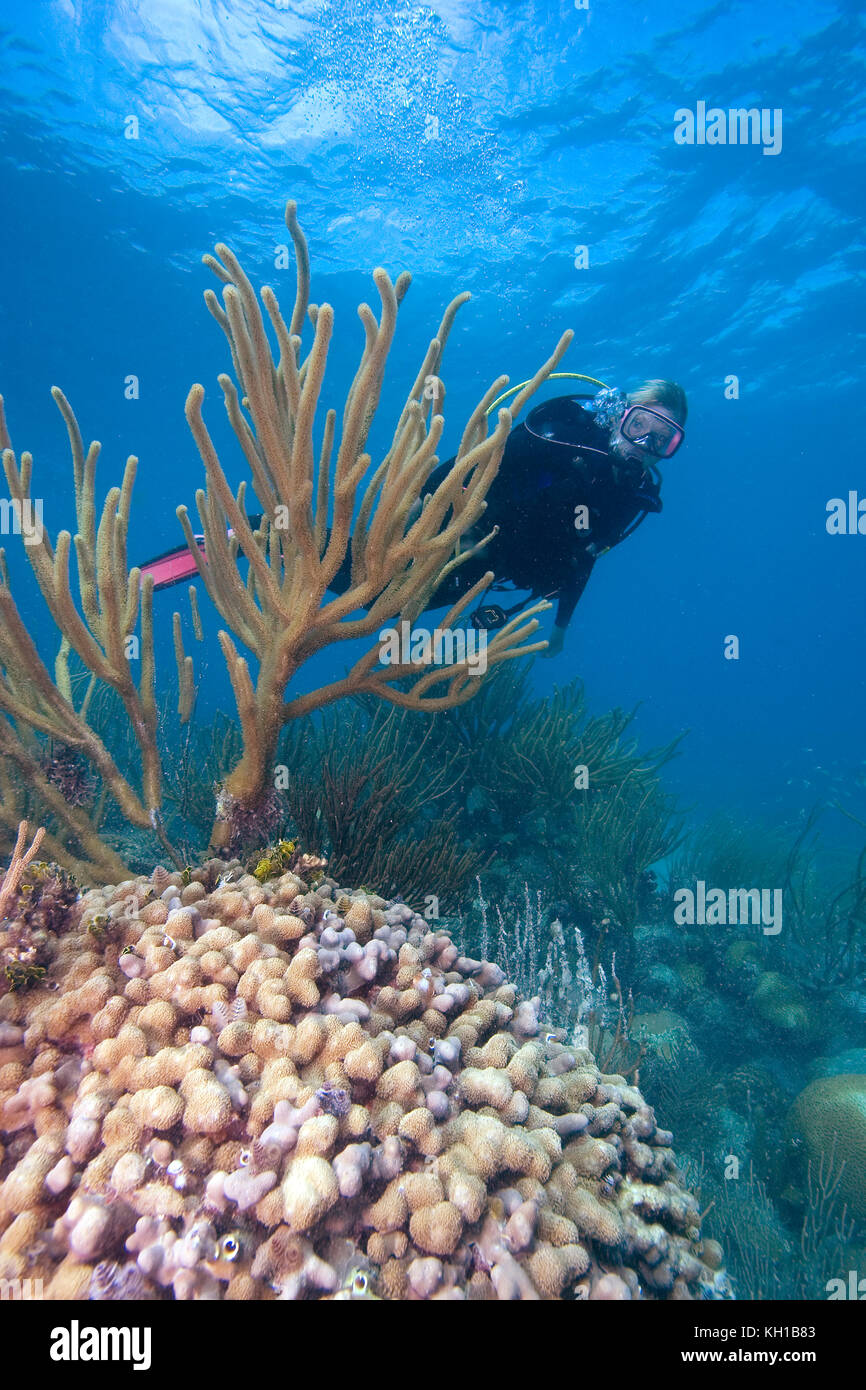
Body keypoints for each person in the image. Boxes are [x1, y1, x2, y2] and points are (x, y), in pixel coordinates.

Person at [139, 377, 686, 658]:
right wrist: (430, 500)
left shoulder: (630, 498)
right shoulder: (564, 430)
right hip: (452, 531)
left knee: (384, 605)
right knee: (372, 583)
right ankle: (257, 531)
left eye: (665, 440)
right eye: (642, 424)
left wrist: (562, 626)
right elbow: (481, 458)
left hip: (486, 573)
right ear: (619, 411)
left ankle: (265, 540)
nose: (647, 444)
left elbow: (583, 562)